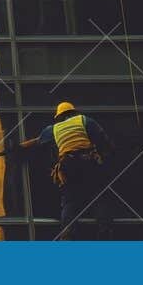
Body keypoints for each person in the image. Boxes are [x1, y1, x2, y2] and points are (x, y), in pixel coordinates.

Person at [16, 101, 115, 240]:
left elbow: (38, 141)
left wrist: (18, 147)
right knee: (99, 197)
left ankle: (68, 234)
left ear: (59, 117)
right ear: (74, 113)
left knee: (70, 201)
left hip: (69, 165)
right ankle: (105, 230)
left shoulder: (54, 129)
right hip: (88, 162)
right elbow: (102, 138)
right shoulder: (84, 120)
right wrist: (107, 155)